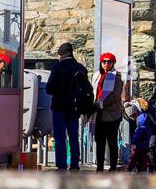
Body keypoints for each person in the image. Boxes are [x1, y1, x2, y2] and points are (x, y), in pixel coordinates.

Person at [45, 42, 91, 170]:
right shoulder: (80, 68)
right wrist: (85, 110)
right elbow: (87, 90)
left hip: (59, 108)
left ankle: (61, 165)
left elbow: (49, 89)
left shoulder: (58, 68)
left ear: (61, 54)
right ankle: (75, 164)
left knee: (60, 138)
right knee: (74, 138)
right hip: (74, 109)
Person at [92, 52, 125, 172]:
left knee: (112, 142)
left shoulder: (115, 77)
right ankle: (99, 167)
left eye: (109, 62)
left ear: (113, 63)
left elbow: (115, 95)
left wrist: (102, 103)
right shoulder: (97, 76)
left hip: (112, 115)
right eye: (104, 61)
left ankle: (113, 166)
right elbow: (94, 92)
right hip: (99, 114)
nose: (106, 64)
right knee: (99, 142)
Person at [124, 98, 156, 172]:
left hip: (143, 144)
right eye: (131, 117)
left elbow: (137, 135)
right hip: (144, 144)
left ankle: (131, 171)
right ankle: (144, 171)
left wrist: (133, 143)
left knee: (135, 158)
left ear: (136, 111)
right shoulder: (139, 118)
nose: (133, 118)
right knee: (143, 160)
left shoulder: (144, 117)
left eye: (134, 115)